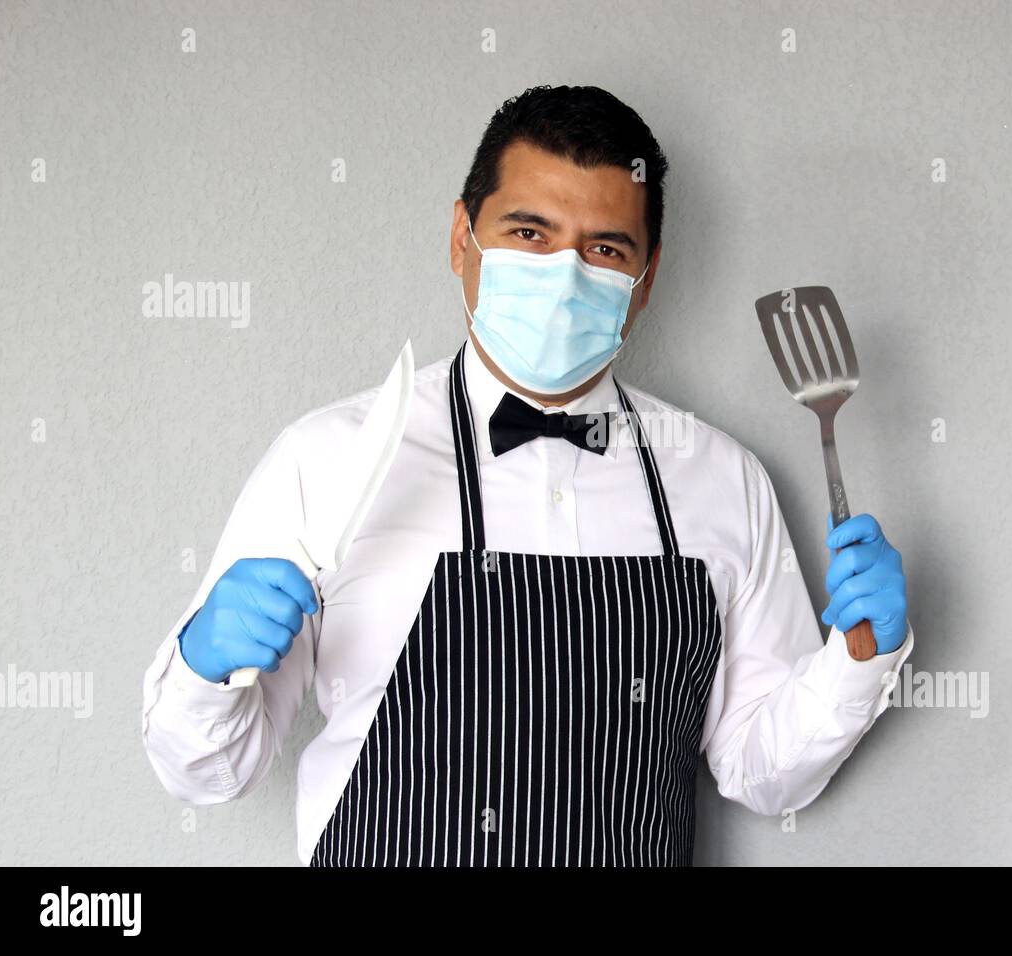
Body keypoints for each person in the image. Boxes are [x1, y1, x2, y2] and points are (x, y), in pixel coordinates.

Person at [141, 84, 914, 867]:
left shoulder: (721, 477)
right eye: (529, 232)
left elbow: (762, 774)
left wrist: (859, 659)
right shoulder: (331, 460)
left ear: (643, 282)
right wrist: (207, 667)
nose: (565, 275)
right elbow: (208, 774)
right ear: (461, 238)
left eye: (605, 249)